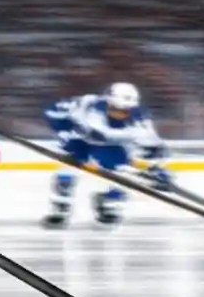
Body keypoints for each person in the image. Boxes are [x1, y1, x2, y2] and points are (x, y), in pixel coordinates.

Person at [41, 82, 169, 228]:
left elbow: (152, 143)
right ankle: (61, 206)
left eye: (126, 110)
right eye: (115, 109)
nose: (120, 114)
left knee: (122, 172)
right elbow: (53, 112)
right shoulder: (90, 107)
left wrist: (158, 168)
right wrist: (62, 129)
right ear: (107, 101)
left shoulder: (140, 118)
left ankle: (109, 202)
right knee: (69, 167)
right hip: (78, 137)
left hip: (107, 143)